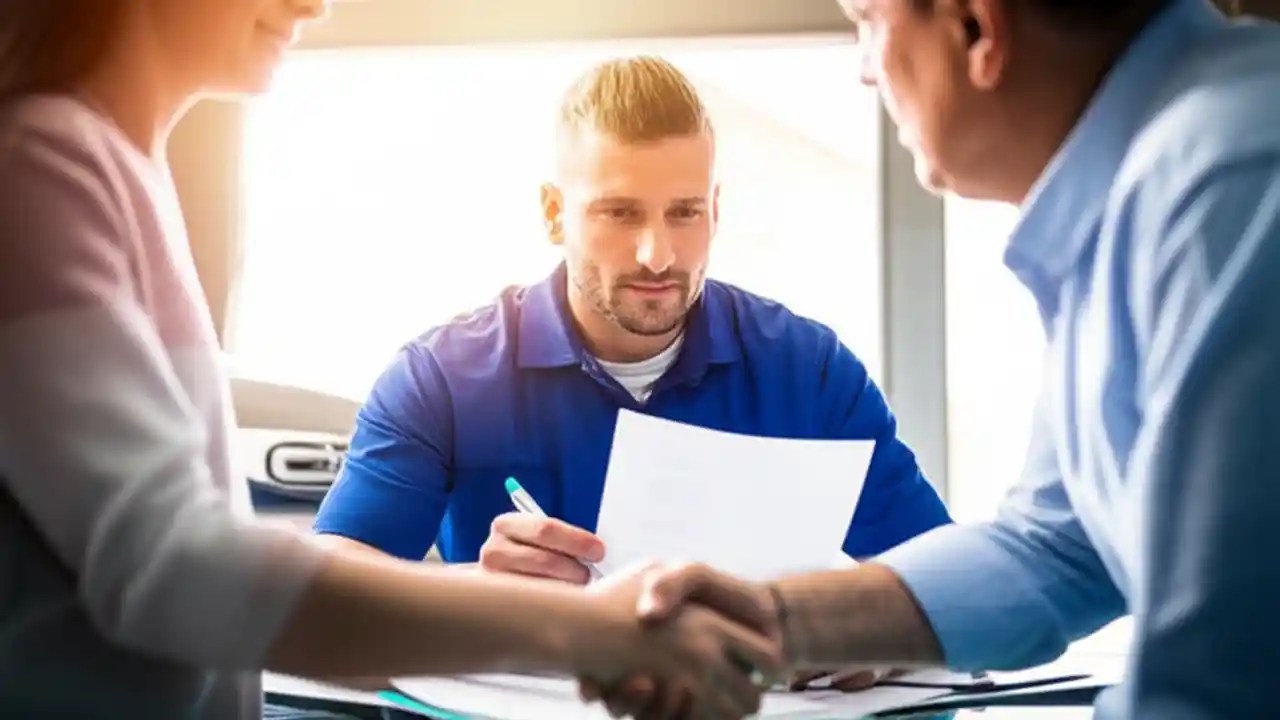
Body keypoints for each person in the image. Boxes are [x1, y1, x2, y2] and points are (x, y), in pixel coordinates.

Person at [0, 2, 782, 719]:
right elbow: (171, 571)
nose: (316, 4)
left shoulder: (126, 171)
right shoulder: (40, 166)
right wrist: (587, 629)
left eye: (685, 212)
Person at [592, 0, 1280, 718]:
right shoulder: (1144, 191)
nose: (865, 70)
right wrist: (771, 619)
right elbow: (1055, 548)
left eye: (867, 22)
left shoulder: (1231, 186)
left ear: (976, 27)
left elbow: (1219, 688)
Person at [312, 56, 951, 586]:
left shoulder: (810, 372)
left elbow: (941, 576)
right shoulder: (441, 379)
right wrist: (476, 594)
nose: (658, 255)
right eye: (619, 214)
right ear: (555, 213)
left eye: (684, 213)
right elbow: (327, 586)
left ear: (716, 210)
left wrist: (876, 635)